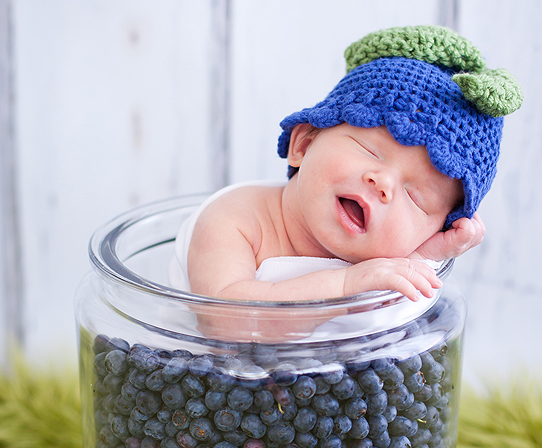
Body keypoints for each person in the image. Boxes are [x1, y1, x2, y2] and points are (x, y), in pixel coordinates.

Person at [169, 24, 522, 304]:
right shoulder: (236, 220)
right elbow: (224, 316)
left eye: (416, 197)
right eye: (370, 151)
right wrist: (345, 284)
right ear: (304, 143)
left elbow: (380, 316)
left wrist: (427, 256)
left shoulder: (372, 265)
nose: (383, 182)